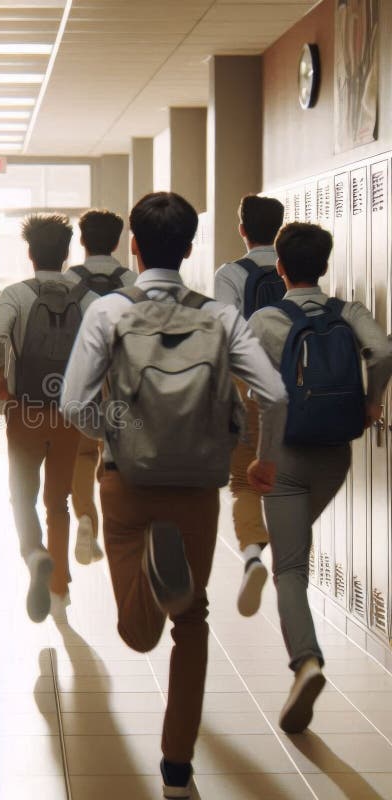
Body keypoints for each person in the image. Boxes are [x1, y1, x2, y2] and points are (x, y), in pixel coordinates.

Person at [61, 192, 287, 799]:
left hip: (127, 483)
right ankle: (178, 772)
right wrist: (264, 460)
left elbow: (74, 404)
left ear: (134, 244)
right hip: (197, 486)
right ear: (189, 249)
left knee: (138, 633)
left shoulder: (108, 312)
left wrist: (120, 435)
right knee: (192, 621)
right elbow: (275, 394)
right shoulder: (221, 317)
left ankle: (159, 581)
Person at [249, 222, 392, 735]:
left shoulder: (265, 319)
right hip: (335, 454)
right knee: (294, 545)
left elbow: (258, 392)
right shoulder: (350, 313)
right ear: (326, 267)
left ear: (280, 267)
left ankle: (305, 661)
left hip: (285, 454)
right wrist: (372, 400)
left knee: (291, 568)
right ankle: (261, 550)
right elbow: (384, 351)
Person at [0, 213, 94, 623]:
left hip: (24, 409)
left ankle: (34, 554)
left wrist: (0, 377)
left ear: (30, 253)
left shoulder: (15, 293)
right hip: (69, 411)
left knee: (21, 493)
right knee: (59, 501)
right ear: (67, 254)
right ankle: (60, 588)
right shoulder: (88, 298)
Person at [214, 195, 285, 616]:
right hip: (300, 385)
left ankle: (254, 555)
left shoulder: (231, 273)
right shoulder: (292, 265)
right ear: (280, 227)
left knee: (244, 481)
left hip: (249, 387)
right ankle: (290, 569)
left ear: (242, 229)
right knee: (288, 481)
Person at [69, 209, 137, 566]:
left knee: (81, 456)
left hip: (81, 378)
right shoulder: (131, 278)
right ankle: (117, 528)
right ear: (118, 242)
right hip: (122, 383)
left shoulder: (68, 279)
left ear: (81, 240)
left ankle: (84, 518)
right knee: (116, 458)